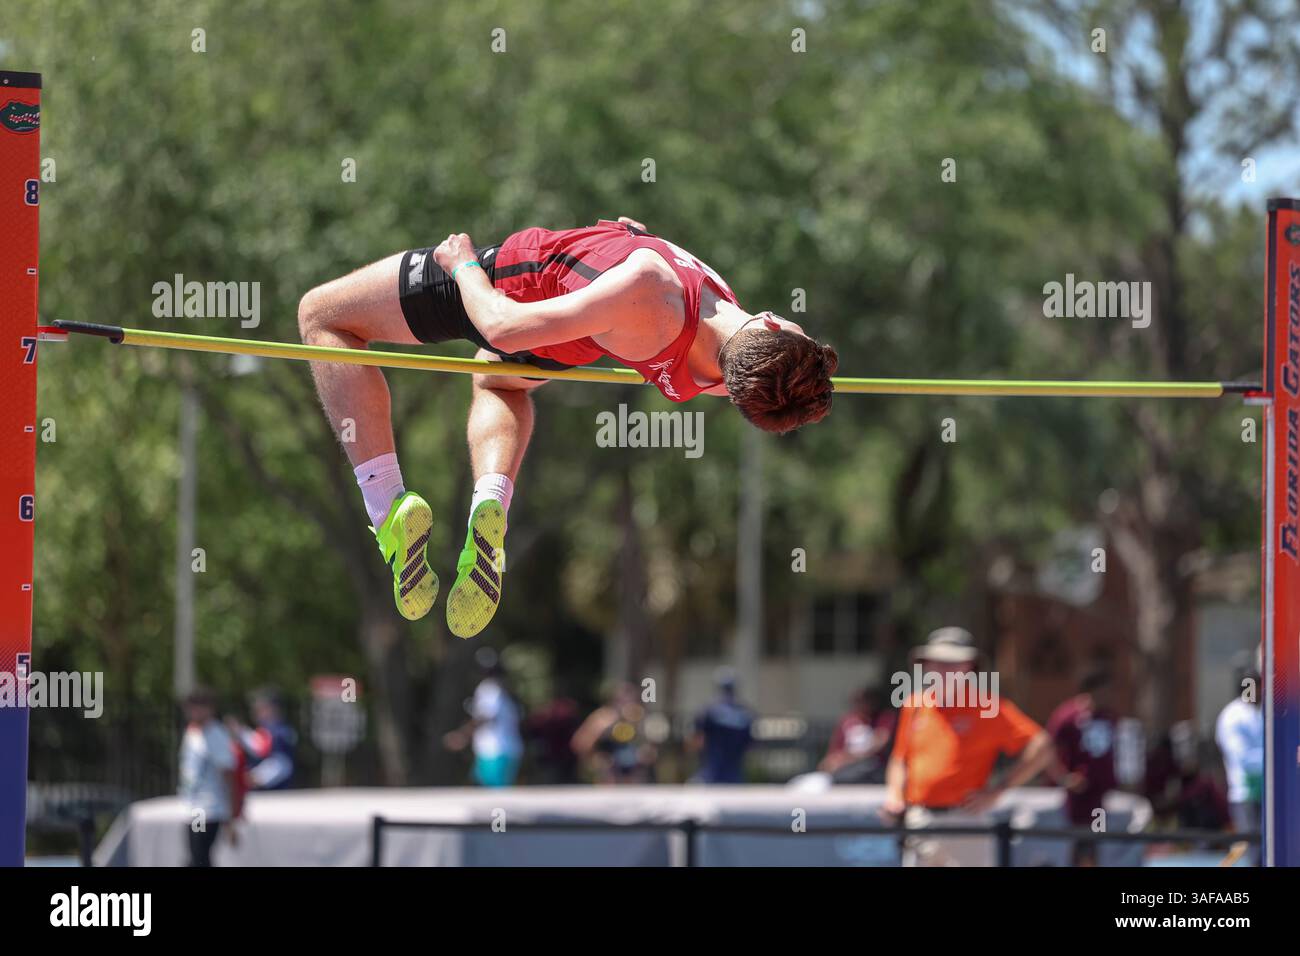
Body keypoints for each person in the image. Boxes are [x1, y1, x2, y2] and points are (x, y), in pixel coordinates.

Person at [297, 216, 839, 633]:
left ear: (775, 323)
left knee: (324, 316)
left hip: (521, 289)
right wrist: (618, 240)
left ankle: (387, 504)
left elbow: (503, 327)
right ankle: (491, 499)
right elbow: (776, 380)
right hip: (584, 334)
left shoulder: (660, 289)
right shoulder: (730, 382)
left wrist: (462, 263)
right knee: (498, 383)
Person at [880, 628, 1056, 866]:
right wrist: (894, 796)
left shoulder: (987, 707)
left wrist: (1000, 789)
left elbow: (1042, 745)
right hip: (920, 819)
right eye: (938, 662)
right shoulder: (915, 704)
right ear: (927, 665)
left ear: (969, 667)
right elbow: (900, 759)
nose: (945, 670)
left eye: (953, 663)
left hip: (965, 819)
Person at [1045, 665, 1120, 865]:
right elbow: (1046, 749)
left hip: (1100, 797)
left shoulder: (1108, 717)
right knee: (1077, 846)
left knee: (1096, 843)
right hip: (1075, 799)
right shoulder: (1068, 716)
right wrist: (1063, 778)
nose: (1108, 695)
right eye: (1104, 689)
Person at [442, 650, 523, 787]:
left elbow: (484, 717)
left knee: (495, 799)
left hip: (495, 750)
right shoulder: (505, 690)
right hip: (506, 749)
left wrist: (462, 735)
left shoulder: (489, 688)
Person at [177, 687, 237, 867]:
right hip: (193, 805)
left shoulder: (216, 735)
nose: (194, 712)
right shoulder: (193, 732)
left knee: (199, 855)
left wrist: (230, 816)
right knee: (197, 856)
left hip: (206, 809)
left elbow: (228, 776)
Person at [1216, 649, 1264, 864]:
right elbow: (1243, 759)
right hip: (1246, 794)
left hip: (1267, 792)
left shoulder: (1261, 712)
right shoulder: (1233, 716)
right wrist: (1282, 761)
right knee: (1253, 851)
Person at [571, 682, 658, 784]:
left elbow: (653, 753)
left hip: (635, 782)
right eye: (622, 701)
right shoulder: (602, 718)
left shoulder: (641, 719)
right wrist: (598, 757)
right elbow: (579, 744)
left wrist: (646, 754)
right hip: (608, 780)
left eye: (632, 701)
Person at [688, 668, 755, 784]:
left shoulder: (709, 711)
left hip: (712, 773)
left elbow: (697, 738)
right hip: (735, 775)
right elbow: (750, 744)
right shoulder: (745, 713)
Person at [819, 686, 896, 784]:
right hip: (847, 769)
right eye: (858, 701)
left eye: (866, 700)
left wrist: (846, 758)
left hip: (875, 767)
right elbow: (834, 752)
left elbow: (878, 742)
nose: (862, 705)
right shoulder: (847, 721)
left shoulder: (885, 718)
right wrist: (830, 762)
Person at [227, 686, 298, 791]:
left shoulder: (280, 732)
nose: (255, 712)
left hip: (276, 794)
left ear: (273, 709)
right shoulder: (268, 729)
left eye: (260, 708)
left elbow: (280, 763)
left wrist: (256, 777)